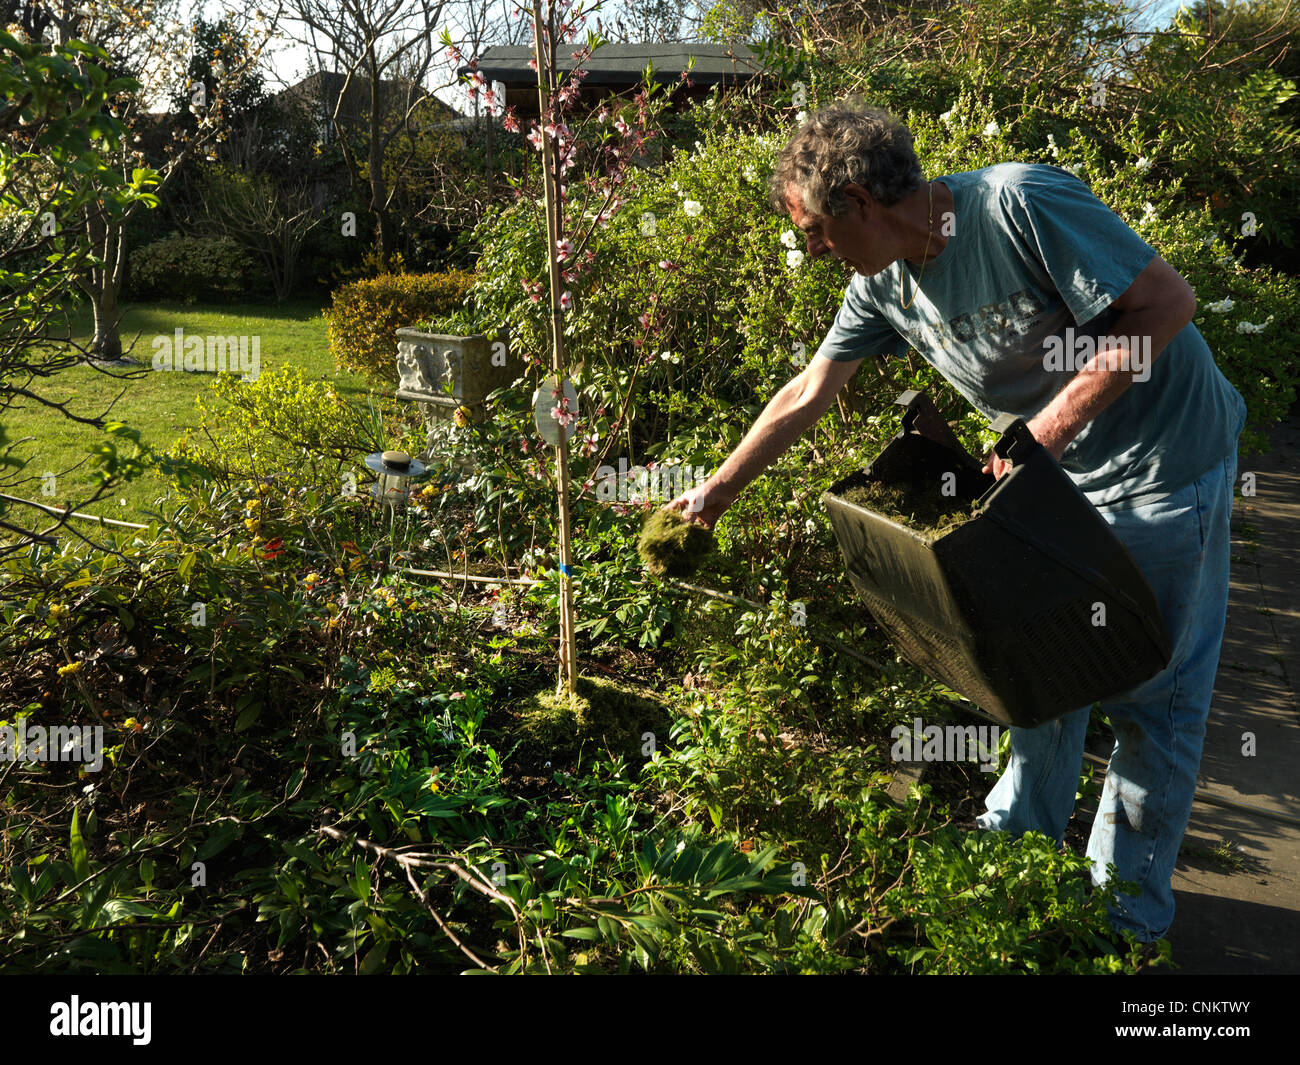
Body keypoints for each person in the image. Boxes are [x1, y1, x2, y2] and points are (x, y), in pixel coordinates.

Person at [665, 101, 1247, 945]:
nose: (813, 252)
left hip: (1167, 465)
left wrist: (1045, 431)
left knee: (1152, 699)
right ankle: (1015, 847)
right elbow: (808, 391)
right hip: (1055, 484)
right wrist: (712, 494)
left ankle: (1120, 922)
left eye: (815, 232)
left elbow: (1166, 305)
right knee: (1040, 661)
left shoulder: (1018, 205)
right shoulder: (884, 284)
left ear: (862, 202)